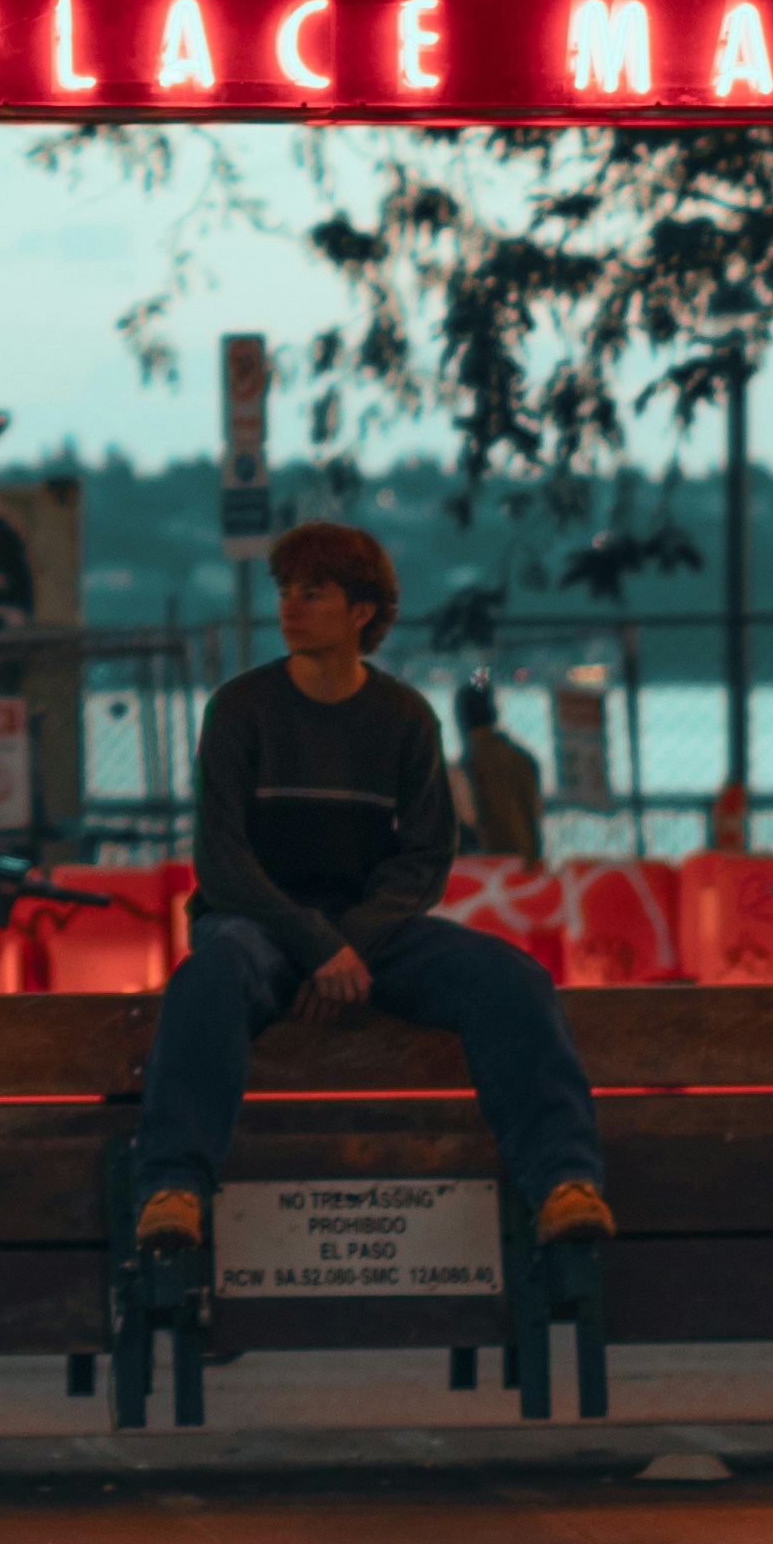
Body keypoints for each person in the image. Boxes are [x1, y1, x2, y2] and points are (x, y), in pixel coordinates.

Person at [132, 522, 613, 1254]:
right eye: (286, 591)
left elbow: (423, 860)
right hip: (258, 928)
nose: (291, 607)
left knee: (512, 980)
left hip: (369, 939)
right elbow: (224, 863)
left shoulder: (403, 719)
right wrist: (317, 944)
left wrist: (348, 945)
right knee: (209, 977)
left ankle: (564, 1186)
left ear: (362, 612)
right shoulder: (240, 709)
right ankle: (172, 1191)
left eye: (313, 592)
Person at [454, 680, 546, 861]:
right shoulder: (523, 759)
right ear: (494, 713)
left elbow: (472, 822)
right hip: (529, 864)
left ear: (461, 719)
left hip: (494, 869)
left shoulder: (469, 766)